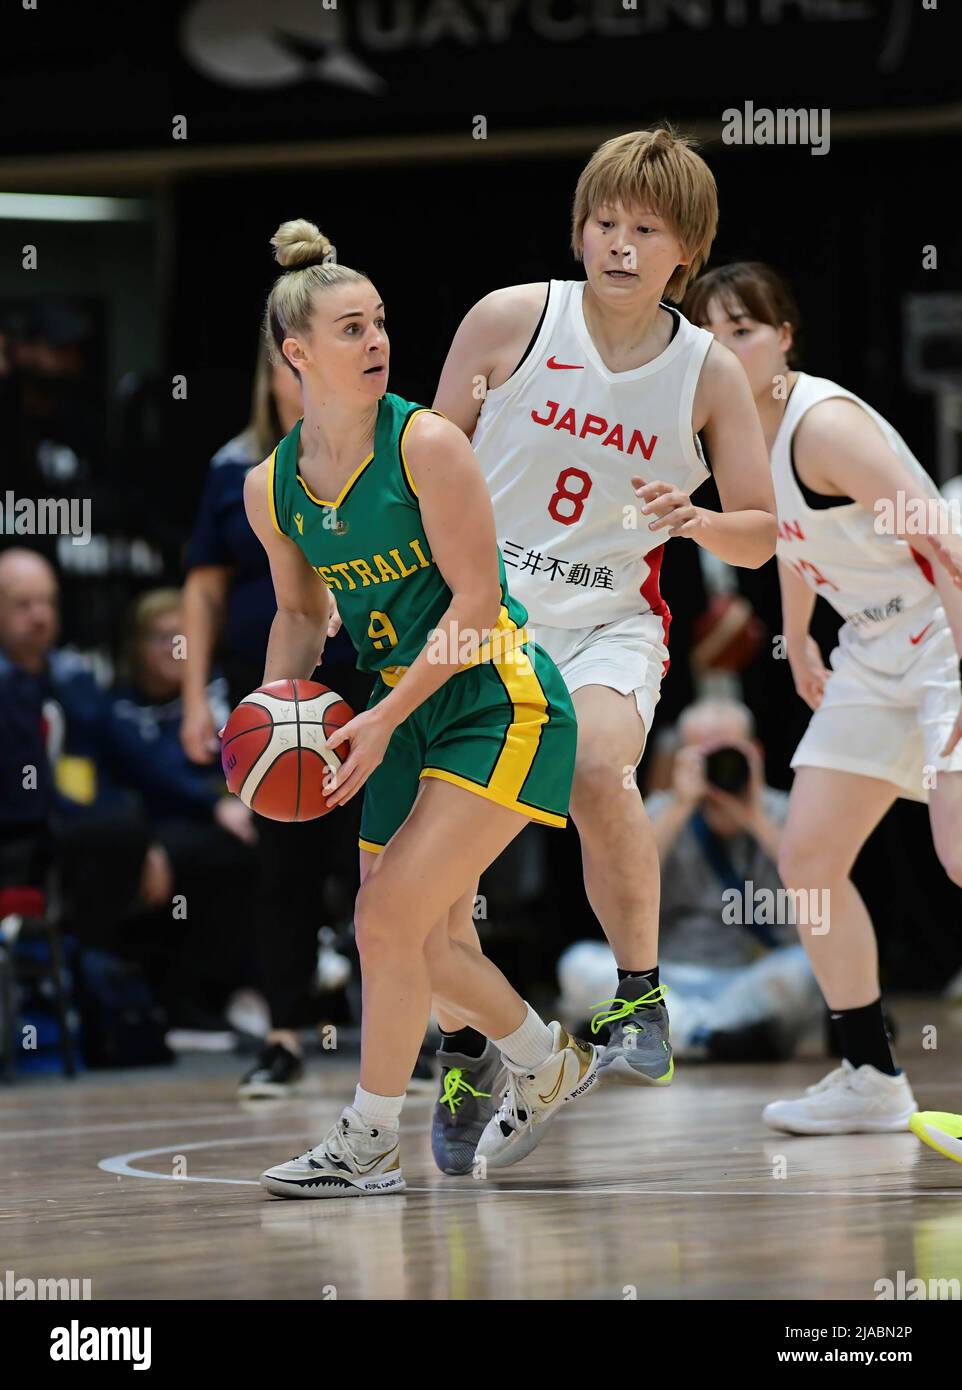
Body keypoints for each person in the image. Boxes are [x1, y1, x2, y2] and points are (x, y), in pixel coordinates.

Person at [430, 126, 776, 1118]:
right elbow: (429, 457)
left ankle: (638, 995)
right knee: (442, 867)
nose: (620, 244)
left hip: (608, 625)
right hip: (482, 616)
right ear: (579, 231)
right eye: (604, 221)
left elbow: (757, 536)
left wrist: (699, 517)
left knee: (595, 766)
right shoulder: (508, 321)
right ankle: (466, 1046)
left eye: (645, 228)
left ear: (686, 249)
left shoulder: (708, 372)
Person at [248, 220, 598, 1198]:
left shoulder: (428, 444)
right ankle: (543, 1057)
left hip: (495, 693)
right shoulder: (271, 487)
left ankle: (367, 1140)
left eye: (380, 324)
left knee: (382, 917)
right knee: (425, 942)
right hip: (393, 712)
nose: (375, 342)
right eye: (350, 329)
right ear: (297, 354)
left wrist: (386, 712)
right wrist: (284, 712)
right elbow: (298, 610)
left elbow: (478, 603)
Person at [685, 261, 962, 1135]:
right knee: (807, 862)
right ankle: (871, 1076)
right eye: (713, 336)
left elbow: (943, 540)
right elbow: (792, 538)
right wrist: (799, 632)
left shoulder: (826, 425)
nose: (730, 349)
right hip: (872, 650)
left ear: (785, 337)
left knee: (959, 856)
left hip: (944, 628)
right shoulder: (732, 432)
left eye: (746, 330)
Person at [180, 337, 374, 1094]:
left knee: (376, 862)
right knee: (283, 865)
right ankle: (285, 1032)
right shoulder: (237, 468)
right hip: (275, 695)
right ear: (270, 375)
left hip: (369, 683)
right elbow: (203, 587)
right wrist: (197, 697)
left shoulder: (383, 454)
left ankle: (408, 1035)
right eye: (283, 368)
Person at [558, 698, 821, 1060]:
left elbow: (818, 890)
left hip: (745, 978)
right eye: (702, 755)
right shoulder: (659, 811)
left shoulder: (781, 811)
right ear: (682, 758)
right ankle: (710, 1038)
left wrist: (754, 817)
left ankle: (663, 1035)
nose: (717, 766)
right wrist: (681, 806)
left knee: (806, 967)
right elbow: (622, 882)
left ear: (754, 753)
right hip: (665, 981)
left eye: (727, 753)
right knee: (578, 963)